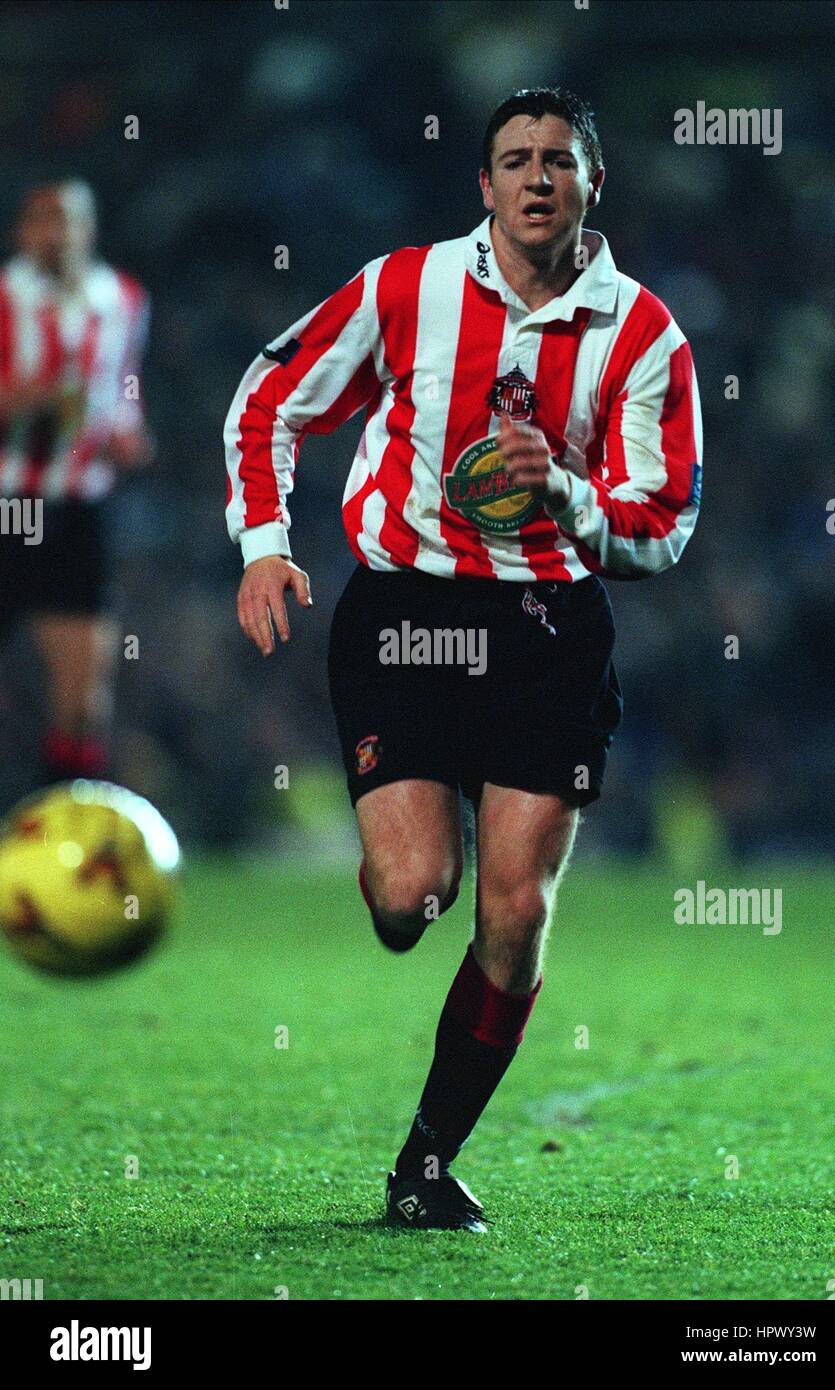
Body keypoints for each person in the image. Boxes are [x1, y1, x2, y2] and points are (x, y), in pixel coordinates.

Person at [224, 89, 702, 1231]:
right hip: (404, 611)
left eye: (558, 161)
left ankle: (426, 1165)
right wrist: (264, 545)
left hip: (548, 628)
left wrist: (565, 492)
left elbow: (662, 526)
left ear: (592, 184)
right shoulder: (407, 287)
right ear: (483, 184)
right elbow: (268, 400)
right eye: (515, 160)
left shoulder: (645, 334)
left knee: (516, 910)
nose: (537, 178)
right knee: (411, 898)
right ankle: (396, 876)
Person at [0, 181, 151, 788]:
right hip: (10, 505)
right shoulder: (5, 298)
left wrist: (129, 436)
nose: (55, 234)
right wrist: (27, 401)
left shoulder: (125, 300)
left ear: (89, 230)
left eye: (67, 221)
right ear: (21, 231)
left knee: (84, 700)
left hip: (81, 506)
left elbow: (125, 392)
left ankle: (65, 821)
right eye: (43, 220)